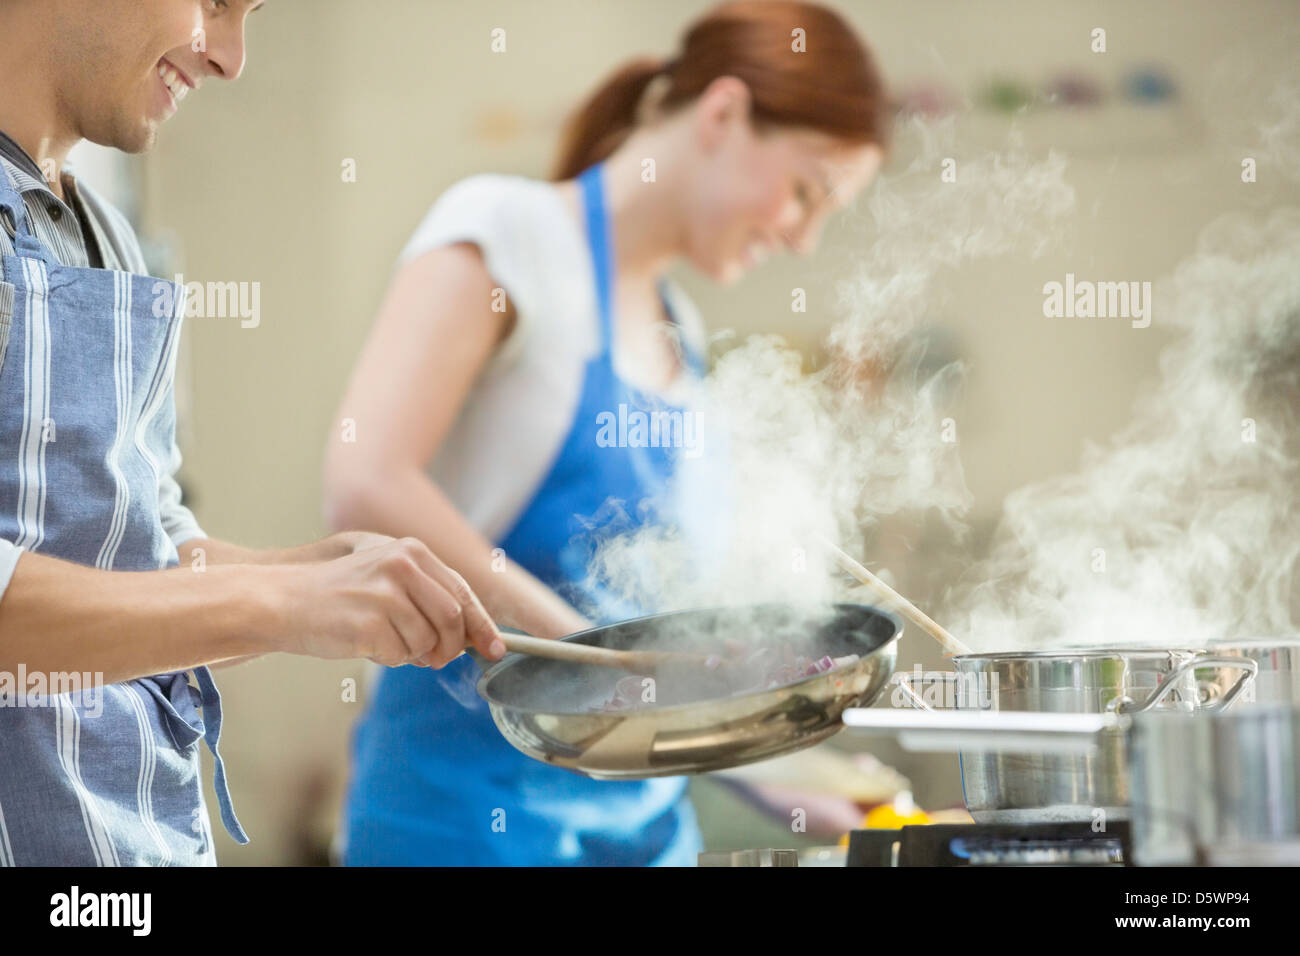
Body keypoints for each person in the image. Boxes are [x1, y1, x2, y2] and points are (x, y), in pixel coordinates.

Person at [326, 0, 889, 866]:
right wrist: (606, 671)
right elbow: (367, 480)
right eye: (808, 190)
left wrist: (765, 760)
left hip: (649, 836)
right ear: (725, 114)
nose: (807, 239)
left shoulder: (683, 333)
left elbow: (655, 635)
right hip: (466, 826)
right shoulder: (505, 235)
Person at [0, 0, 502, 867]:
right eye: (218, 3)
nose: (230, 58)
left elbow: (140, 557)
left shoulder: (109, 239)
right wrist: (276, 605)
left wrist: (317, 576)